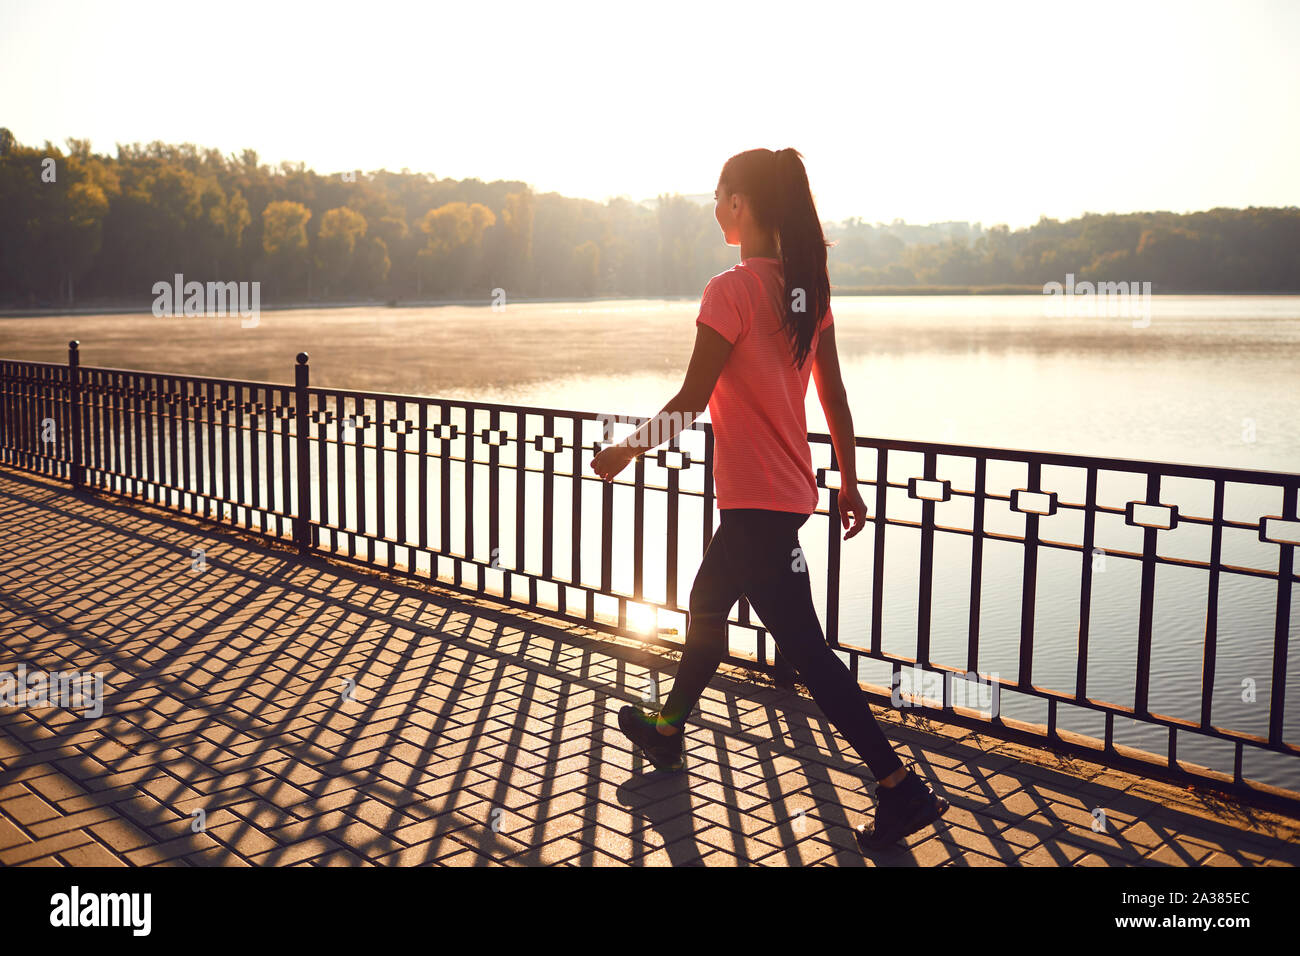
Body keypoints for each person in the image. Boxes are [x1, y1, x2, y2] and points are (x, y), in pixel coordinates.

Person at [589, 147, 949, 851]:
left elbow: (692, 401)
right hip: (783, 496)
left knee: (808, 653)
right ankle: (667, 729)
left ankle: (898, 787)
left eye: (720, 194)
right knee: (705, 604)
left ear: (743, 204)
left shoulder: (730, 290)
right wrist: (848, 478)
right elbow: (835, 396)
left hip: (757, 504)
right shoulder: (806, 292)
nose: (714, 206)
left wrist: (625, 452)